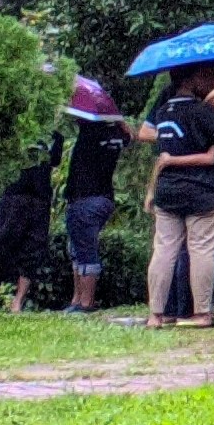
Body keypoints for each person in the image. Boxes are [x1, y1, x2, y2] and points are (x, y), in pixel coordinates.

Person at [143, 66, 214, 328]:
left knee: (163, 250)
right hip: (201, 191)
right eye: (205, 76)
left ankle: (155, 314)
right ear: (194, 79)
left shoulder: (162, 113)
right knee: (202, 250)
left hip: (167, 190)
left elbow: (157, 146)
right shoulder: (202, 111)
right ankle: (202, 313)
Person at [61, 76, 124, 312]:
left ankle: (85, 302)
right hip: (104, 197)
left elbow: (79, 120)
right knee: (78, 247)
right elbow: (129, 136)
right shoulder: (117, 135)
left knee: (84, 251)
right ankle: (77, 300)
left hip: (85, 199)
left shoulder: (89, 133)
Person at [0, 130, 55, 311]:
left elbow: (53, 161)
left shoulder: (54, 135)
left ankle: (18, 301)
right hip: (13, 194)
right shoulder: (20, 127)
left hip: (40, 199)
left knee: (33, 249)